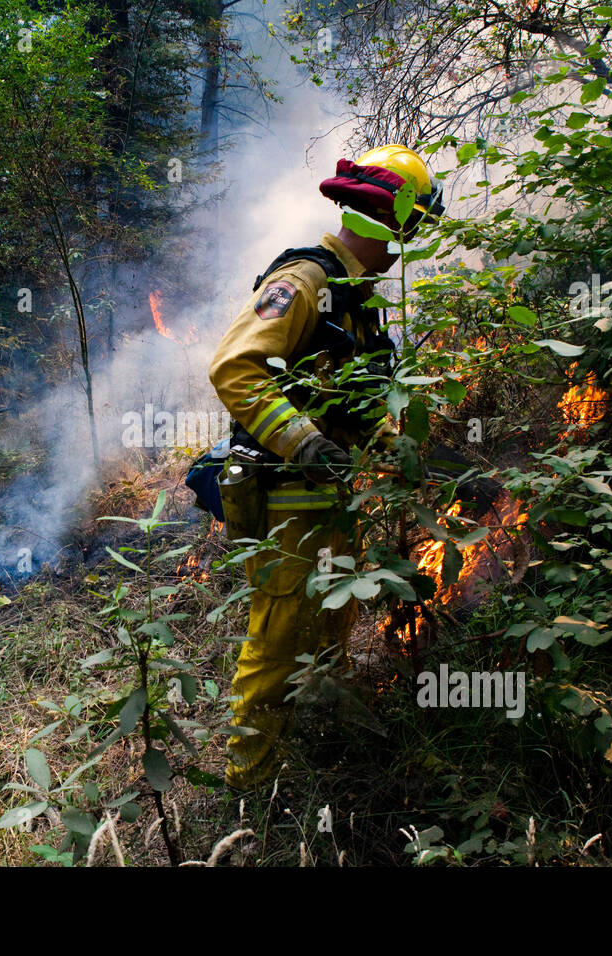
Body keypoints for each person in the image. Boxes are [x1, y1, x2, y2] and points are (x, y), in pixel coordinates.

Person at [208, 144, 445, 790]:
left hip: (335, 508)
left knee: (330, 634)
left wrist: (397, 450)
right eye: (413, 223)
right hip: (286, 501)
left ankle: (313, 762)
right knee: (278, 645)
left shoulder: (359, 301)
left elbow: (359, 400)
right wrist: (305, 442)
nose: (411, 240)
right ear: (392, 219)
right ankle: (247, 794)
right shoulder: (304, 283)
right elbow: (234, 367)